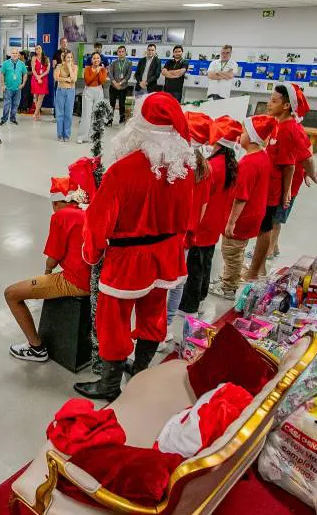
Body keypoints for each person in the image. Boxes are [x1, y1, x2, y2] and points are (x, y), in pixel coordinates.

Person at [73, 93, 196, 401]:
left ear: (139, 127)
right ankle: (140, 374)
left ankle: (109, 385)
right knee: (154, 315)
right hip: (165, 256)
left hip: (127, 259)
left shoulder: (122, 170)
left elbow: (98, 224)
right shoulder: (184, 169)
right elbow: (189, 217)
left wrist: (92, 253)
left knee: (112, 321)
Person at [5, 178, 90, 362]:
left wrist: (47, 272)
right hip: (95, 278)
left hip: (76, 280)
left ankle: (36, 348)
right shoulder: (87, 210)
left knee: (11, 293)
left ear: (57, 202)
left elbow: (53, 258)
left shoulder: (62, 216)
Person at [246, 83, 317, 280]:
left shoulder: (289, 129)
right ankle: (260, 266)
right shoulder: (278, 123)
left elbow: (297, 161)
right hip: (271, 184)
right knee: (266, 226)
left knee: (267, 227)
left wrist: (288, 190)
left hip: (277, 188)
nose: (268, 104)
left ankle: (255, 271)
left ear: (287, 105)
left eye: (274, 101)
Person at [179, 116, 242, 315]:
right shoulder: (230, 163)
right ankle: (201, 296)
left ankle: (189, 305)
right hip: (216, 222)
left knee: (194, 267)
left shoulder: (212, 167)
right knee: (206, 262)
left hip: (203, 224)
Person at [210, 114, 275, 299]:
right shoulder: (262, 156)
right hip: (255, 214)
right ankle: (228, 279)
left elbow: (241, 198)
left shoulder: (248, 163)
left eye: (244, 132)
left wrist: (230, 223)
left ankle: (229, 287)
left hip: (242, 217)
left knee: (231, 251)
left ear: (252, 137)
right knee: (237, 250)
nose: (241, 135)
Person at [165, 112, 212, 334]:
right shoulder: (205, 168)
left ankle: (160, 327)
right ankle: (168, 324)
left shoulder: (177, 165)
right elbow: (203, 206)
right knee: (177, 282)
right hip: (187, 234)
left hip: (171, 232)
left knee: (161, 283)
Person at [77, 51, 107, 144]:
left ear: (100, 59)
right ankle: (82, 136)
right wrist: (96, 73)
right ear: (91, 60)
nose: (96, 60)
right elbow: (88, 81)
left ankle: (93, 136)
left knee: (97, 114)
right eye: (94, 58)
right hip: (89, 91)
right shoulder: (87, 69)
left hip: (98, 91)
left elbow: (102, 81)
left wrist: (100, 71)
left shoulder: (103, 69)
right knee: (86, 114)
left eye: (98, 58)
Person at [53, 50, 77, 143]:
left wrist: (70, 68)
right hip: (60, 91)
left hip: (71, 91)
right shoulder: (59, 66)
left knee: (68, 114)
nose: (69, 59)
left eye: (71, 57)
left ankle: (66, 135)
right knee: (59, 114)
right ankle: (59, 134)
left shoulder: (75, 67)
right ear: (64, 58)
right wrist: (67, 79)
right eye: (68, 57)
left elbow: (74, 79)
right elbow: (56, 78)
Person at [0, 47, 28, 125]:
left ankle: (13, 118)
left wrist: (23, 84)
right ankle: (4, 119)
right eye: (13, 53)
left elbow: (25, 74)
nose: (15, 55)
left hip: (18, 88)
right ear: (10, 54)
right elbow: (2, 74)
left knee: (15, 105)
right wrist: (2, 85)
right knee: (6, 105)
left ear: (18, 54)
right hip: (8, 88)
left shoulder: (22, 64)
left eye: (16, 53)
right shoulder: (5, 63)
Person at [107, 45, 133, 124]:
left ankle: (122, 119)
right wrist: (115, 83)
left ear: (125, 53)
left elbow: (128, 75)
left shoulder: (129, 63)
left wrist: (120, 83)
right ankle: (110, 119)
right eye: (119, 52)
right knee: (111, 104)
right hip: (113, 87)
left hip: (123, 87)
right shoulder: (114, 62)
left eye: (122, 52)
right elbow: (110, 73)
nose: (121, 53)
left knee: (122, 104)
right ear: (117, 53)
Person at [30, 45, 50, 121]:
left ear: (42, 49)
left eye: (39, 48)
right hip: (35, 78)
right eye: (36, 49)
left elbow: (47, 70)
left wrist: (40, 76)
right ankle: (38, 113)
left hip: (43, 79)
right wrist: (37, 77)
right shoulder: (34, 58)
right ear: (35, 50)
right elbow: (33, 70)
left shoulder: (46, 58)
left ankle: (35, 113)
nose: (38, 50)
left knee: (40, 98)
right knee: (35, 97)